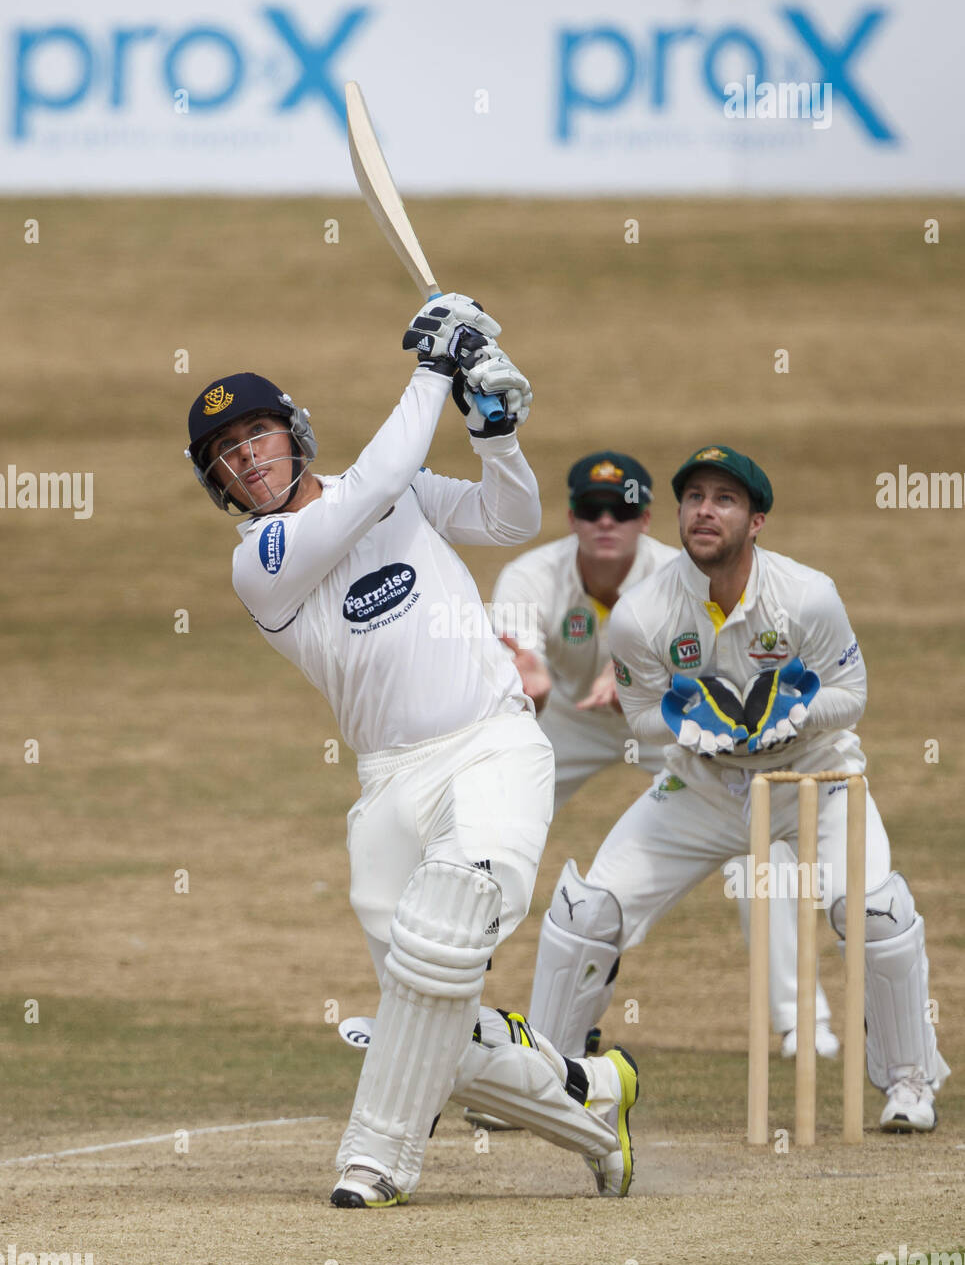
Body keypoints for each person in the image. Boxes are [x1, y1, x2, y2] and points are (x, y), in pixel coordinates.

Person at [183, 294, 639, 1206]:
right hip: (388, 782)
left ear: (294, 435)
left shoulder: (392, 491)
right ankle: (593, 1099)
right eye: (229, 457)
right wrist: (437, 366)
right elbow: (381, 476)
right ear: (221, 488)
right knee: (431, 1011)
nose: (248, 459)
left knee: (442, 940)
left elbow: (508, 521)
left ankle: (375, 1161)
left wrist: (496, 432)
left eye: (259, 436)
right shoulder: (263, 560)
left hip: (491, 746)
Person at [527, 444, 948, 1132]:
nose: (704, 511)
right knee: (586, 914)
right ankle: (539, 1075)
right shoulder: (641, 613)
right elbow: (638, 713)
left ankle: (908, 1082)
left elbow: (853, 692)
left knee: (873, 914)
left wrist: (792, 715)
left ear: (756, 520)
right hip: (700, 786)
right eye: (694, 498)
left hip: (816, 778)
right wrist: (691, 727)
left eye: (724, 499)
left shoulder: (806, 595)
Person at [493, 452, 838, 1060]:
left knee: (766, 832)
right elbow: (522, 661)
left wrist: (626, 684)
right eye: (592, 510)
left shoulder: (673, 573)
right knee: (495, 813)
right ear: (571, 518)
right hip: (569, 720)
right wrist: (532, 676)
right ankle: (465, 984)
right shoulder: (530, 576)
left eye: (622, 511)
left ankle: (800, 1022)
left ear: (646, 519)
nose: (607, 523)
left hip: (667, 722)